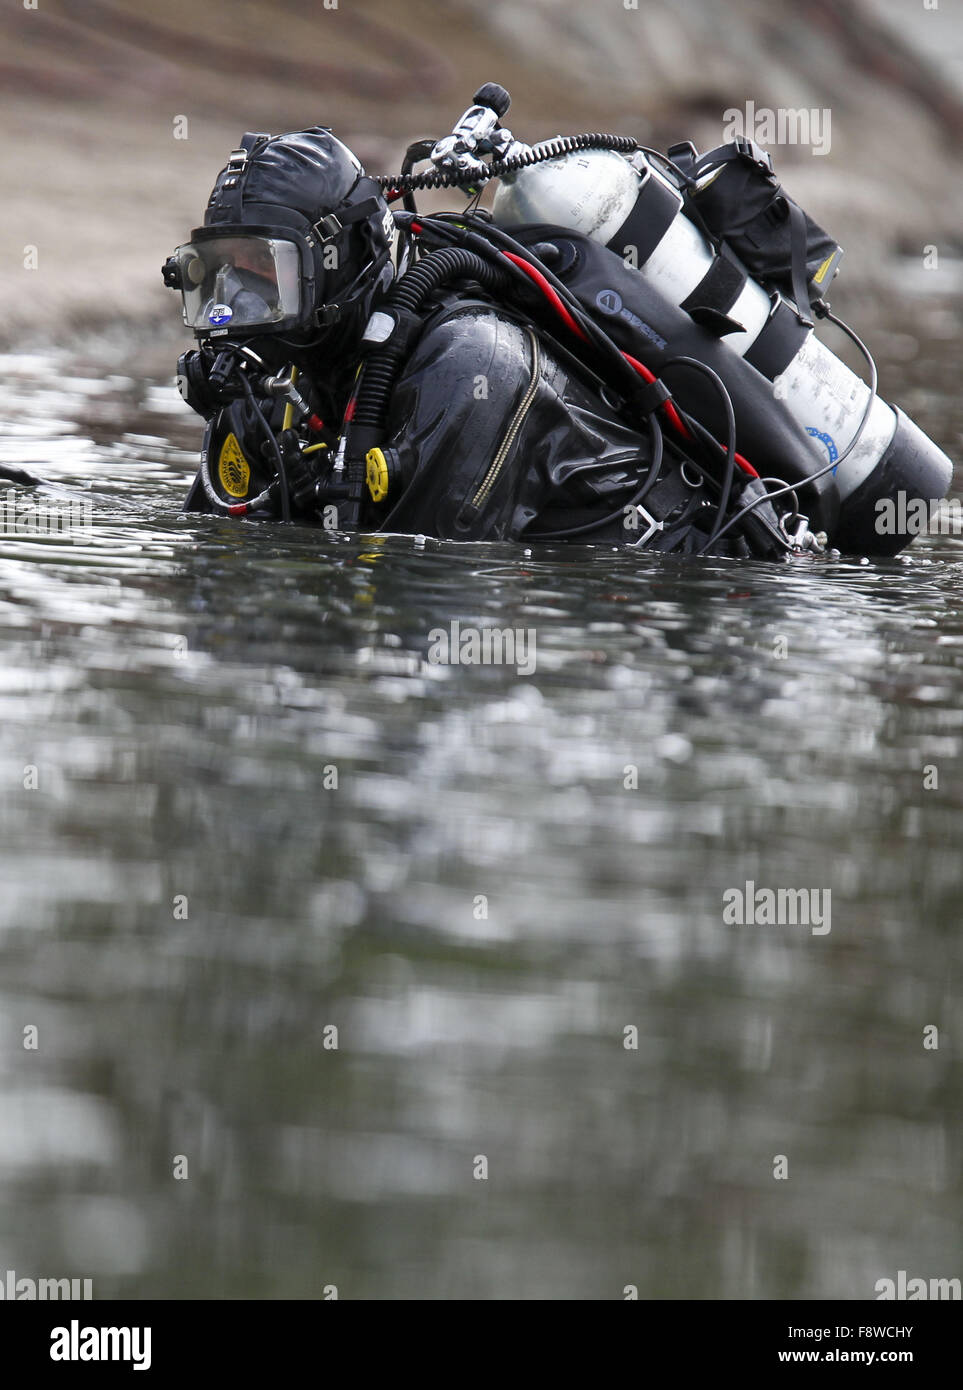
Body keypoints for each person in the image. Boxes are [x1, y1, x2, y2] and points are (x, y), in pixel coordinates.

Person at [162, 114, 950, 558]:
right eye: (217, 277)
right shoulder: (287, 377)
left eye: (262, 273)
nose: (236, 303)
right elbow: (215, 537)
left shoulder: (468, 364)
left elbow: (403, 578)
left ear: (338, 261)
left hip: (723, 607)